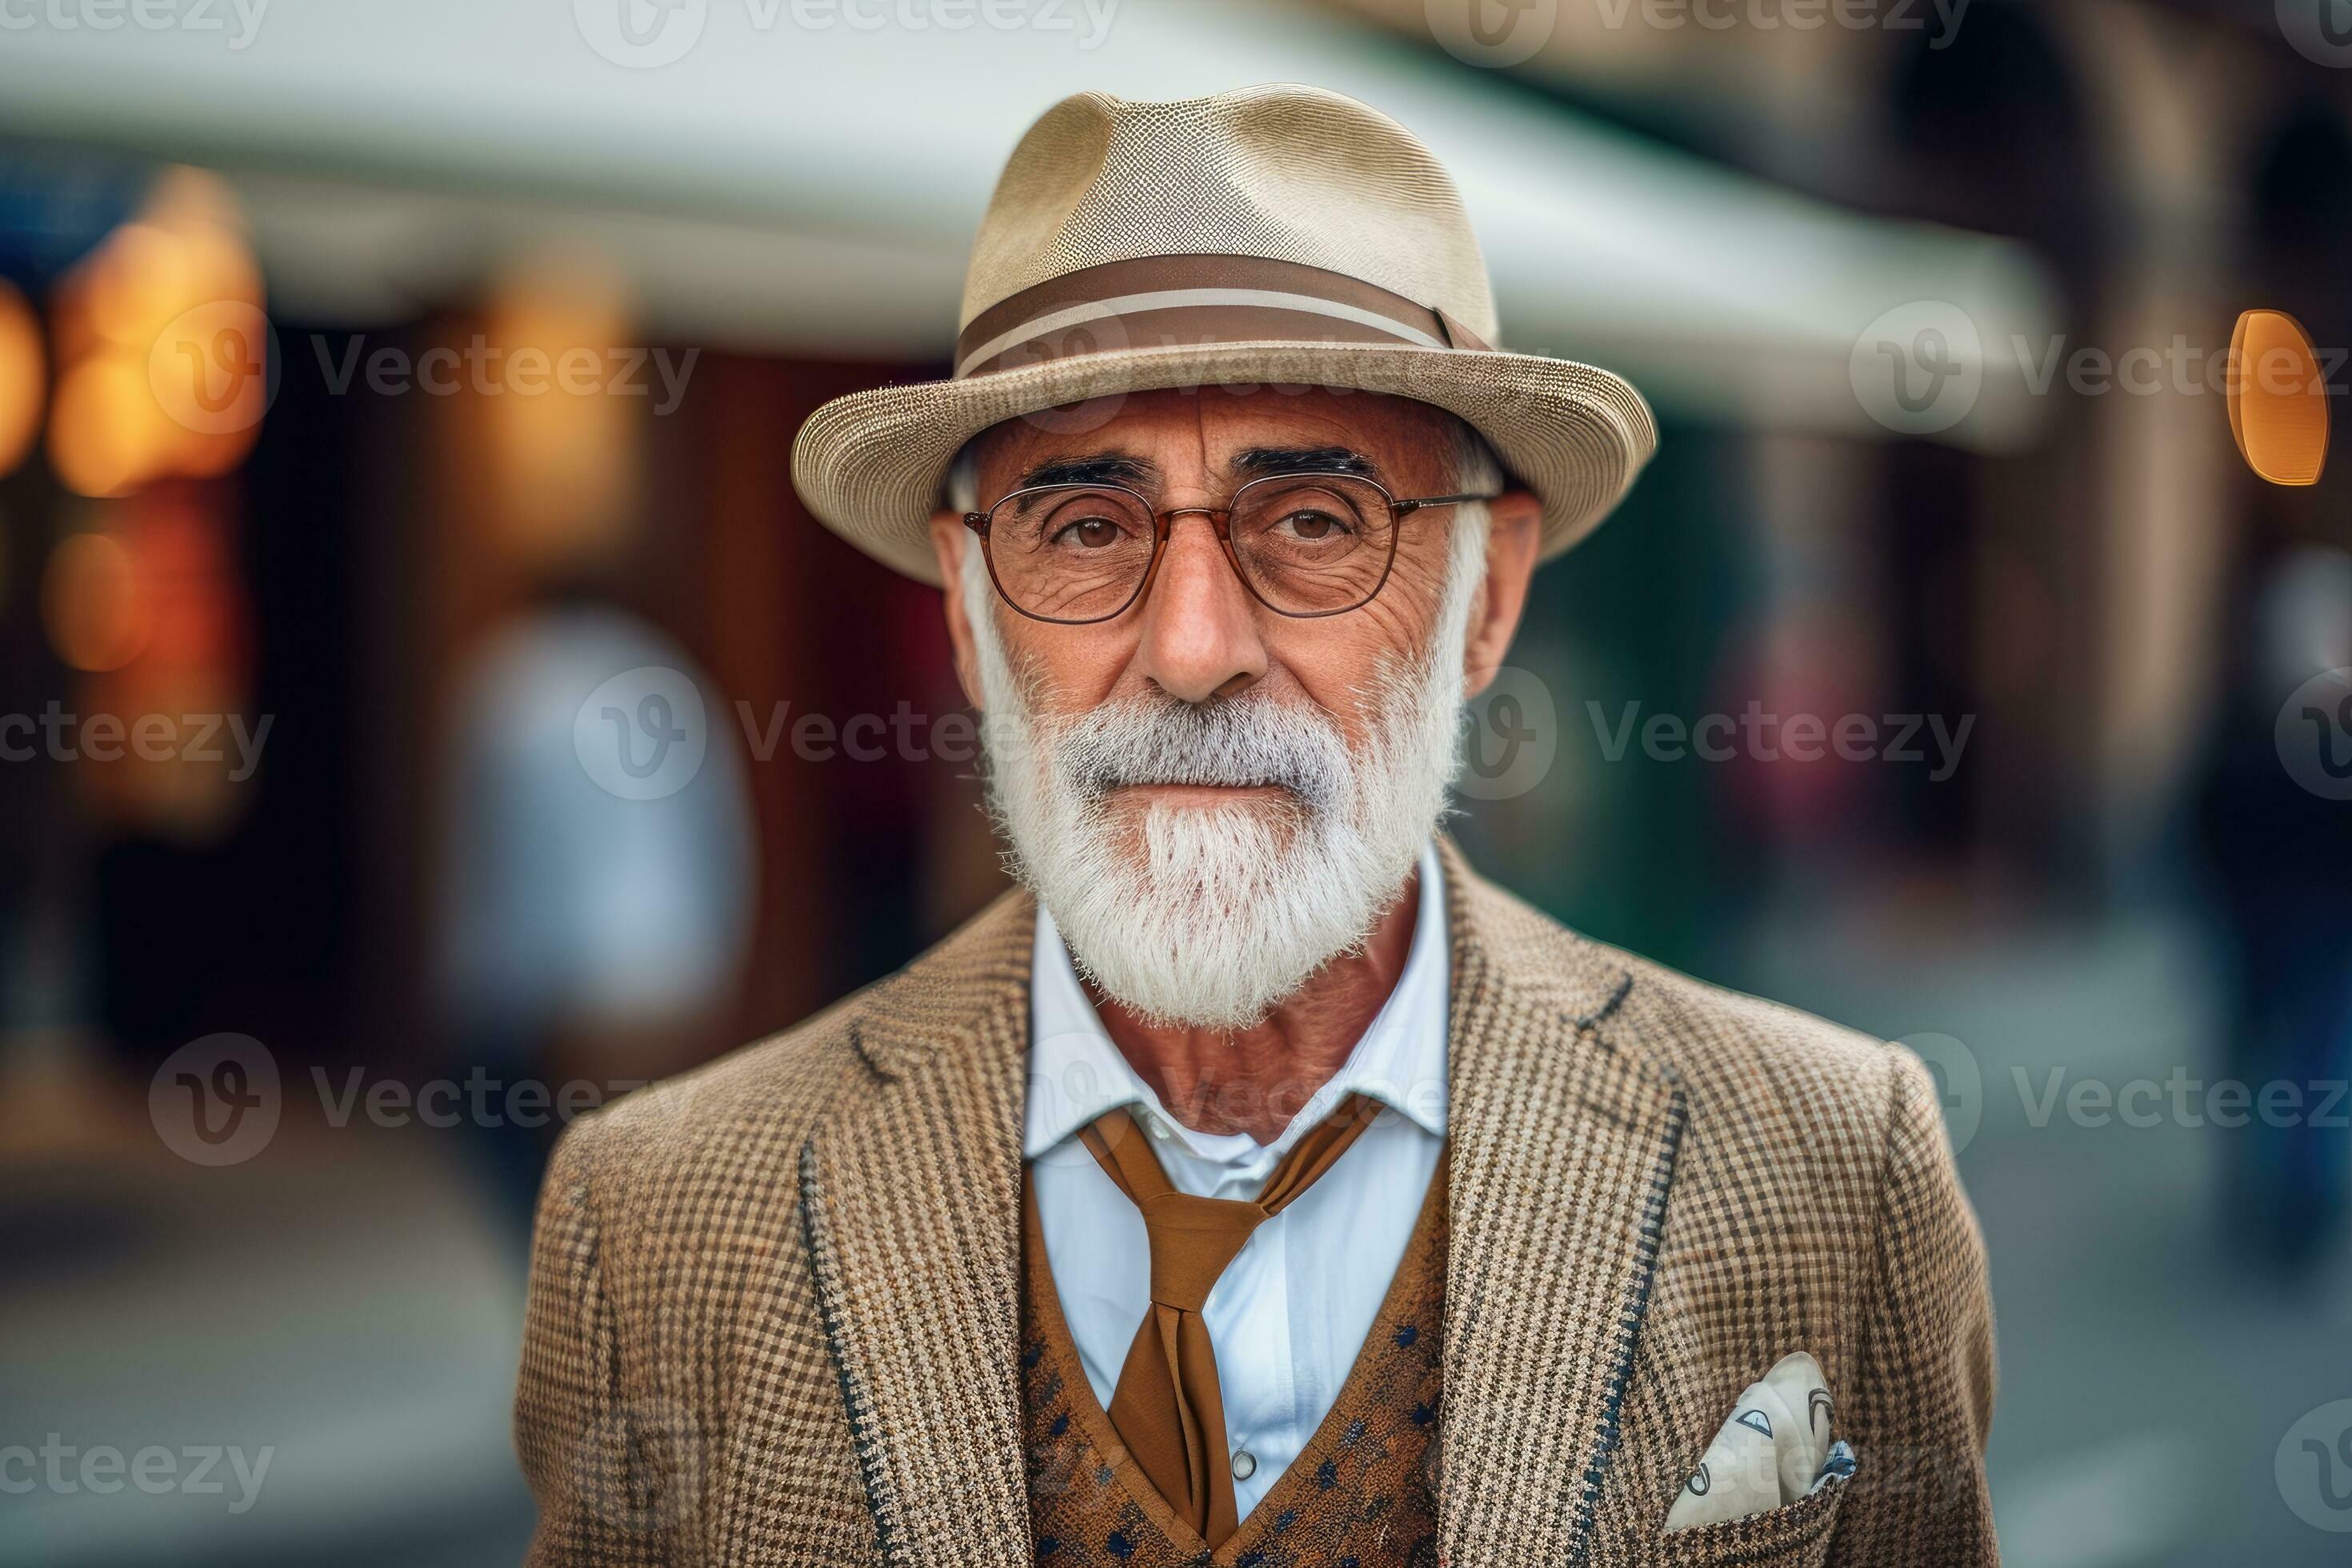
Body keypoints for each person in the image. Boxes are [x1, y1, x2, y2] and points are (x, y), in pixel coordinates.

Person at [514, 84, 1997, 1566]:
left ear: (1484, 601)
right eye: (1086, 528)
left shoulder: (1826, 1167)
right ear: (968, 616)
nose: (1193, 645)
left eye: (1310, 521)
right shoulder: (655, 1226)